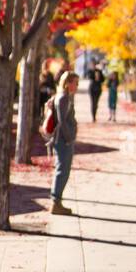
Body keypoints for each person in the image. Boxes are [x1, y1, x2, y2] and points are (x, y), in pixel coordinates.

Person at [50, 69, 79, 216]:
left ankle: (57, 201)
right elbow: (62, 121)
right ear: (68, 83)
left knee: (64, 170)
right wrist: (69, 138)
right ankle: (56, 201)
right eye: (75, 83)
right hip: (62, 140)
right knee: (62, 170)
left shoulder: (65, 97)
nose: (77, 86)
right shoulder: (63, 98)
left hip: (64, 139)